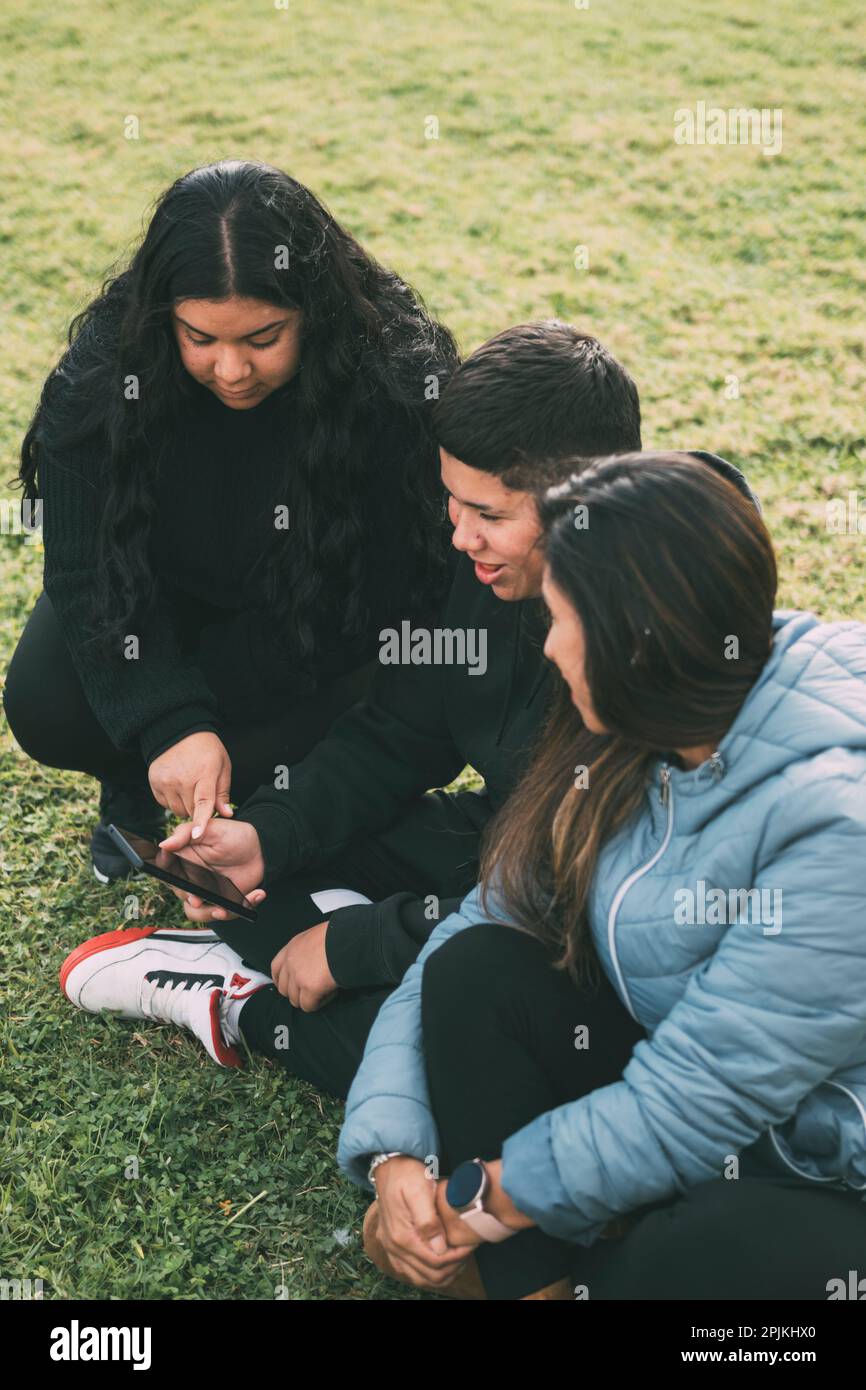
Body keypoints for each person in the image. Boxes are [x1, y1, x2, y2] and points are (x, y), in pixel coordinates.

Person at [61, 323, 664, 1089]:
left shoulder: (660, 624)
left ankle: (248, 1006)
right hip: (504, 841)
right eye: (451, 502)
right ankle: (321, 964)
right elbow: (404, 731)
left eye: (488, 514)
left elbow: (581, 894)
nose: (459, 535)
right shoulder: (491, 570)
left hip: (591, 914)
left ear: (588, 501)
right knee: (264, 879)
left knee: (480, 1056)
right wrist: (268, 839)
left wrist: (364, 943)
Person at [336, 451, 866, 1301]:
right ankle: (539, 1284)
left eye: (559, 619)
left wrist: (480, 1202)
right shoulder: (645, 725)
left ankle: (569, 1267)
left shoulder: (836, 827)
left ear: (634, 638)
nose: (547, 648)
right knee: (480, 974)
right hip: (707, 1115)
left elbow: (700, 1100)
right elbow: (480, 924)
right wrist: (399, 1154)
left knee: (694, 1256)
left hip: (829, 1165)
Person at [3, 158, 458, 882]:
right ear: (162, 316)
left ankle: (257, 805)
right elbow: (85, 572)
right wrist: (167, 722)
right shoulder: (100, 378)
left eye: (262, 338)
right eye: (201, 338)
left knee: (259, 754)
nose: (232, 370)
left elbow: (395, 587)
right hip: (160, 600)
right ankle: (132, 779)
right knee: (44, 702)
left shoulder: (389, 381)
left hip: (313, 626)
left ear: (315, 311)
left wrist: (210, 715)